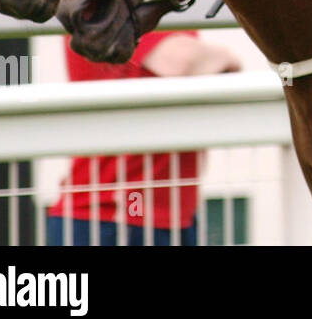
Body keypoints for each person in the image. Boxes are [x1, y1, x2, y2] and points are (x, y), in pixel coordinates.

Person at [46, 30, 240, 246]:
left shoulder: (161, 17)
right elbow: (183, 61)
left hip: (173, 214)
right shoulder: (106, 14)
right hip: (112, 214)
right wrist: (225, 57)